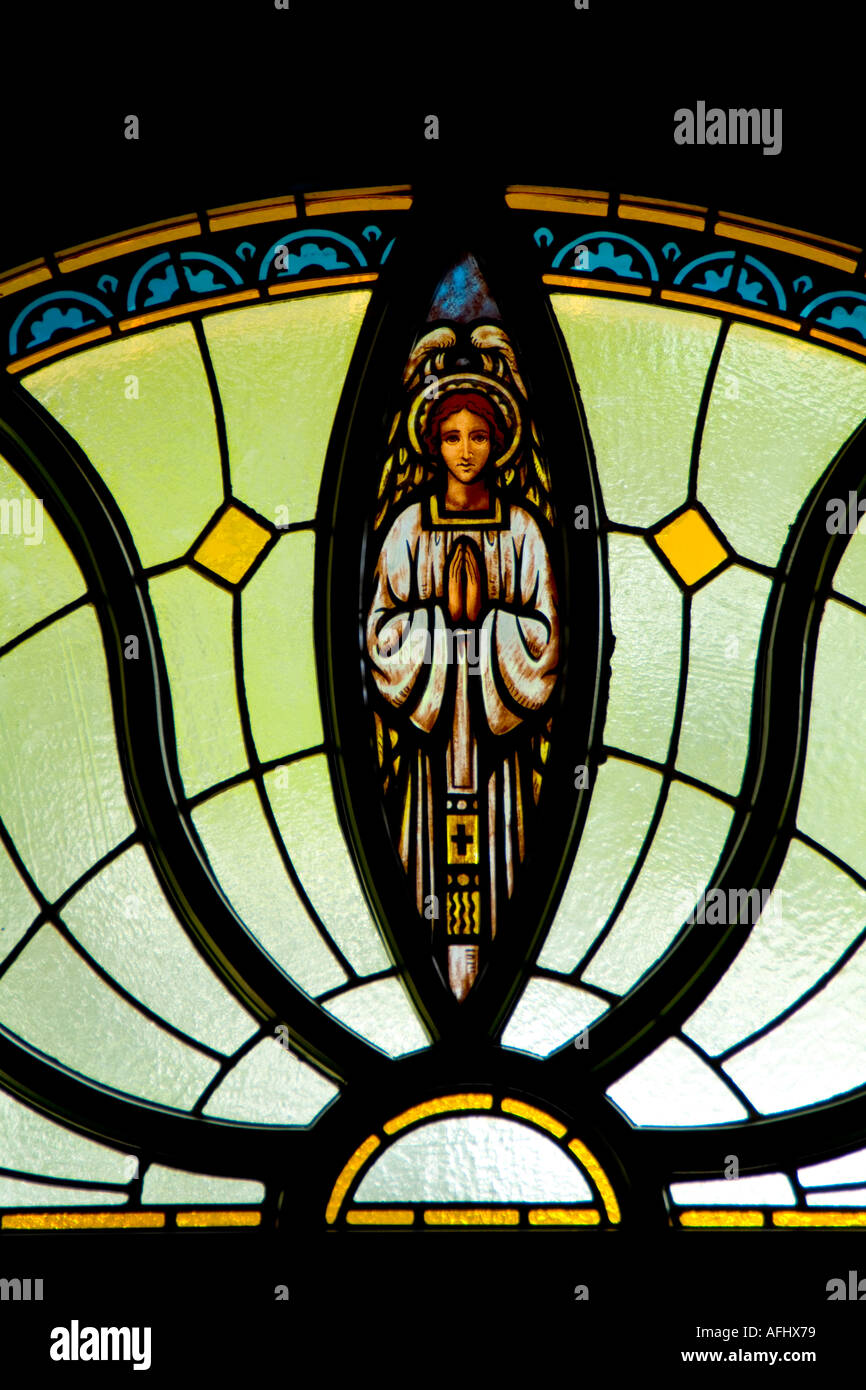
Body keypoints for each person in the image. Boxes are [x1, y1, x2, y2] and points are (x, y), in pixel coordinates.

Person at [365, 388, 559, 1001]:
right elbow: (379, 636)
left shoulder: (525, 529)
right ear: (433, 444)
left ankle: (486, 982)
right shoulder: (406, 526)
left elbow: (548, 644)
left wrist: (488, 625)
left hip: (502, 760)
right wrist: (441, 625)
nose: (466, 452)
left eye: (478, 437)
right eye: (452, 438)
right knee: (426, 872)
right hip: (427, 757)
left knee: (503, 875)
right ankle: (442, 980)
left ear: (500, 443)